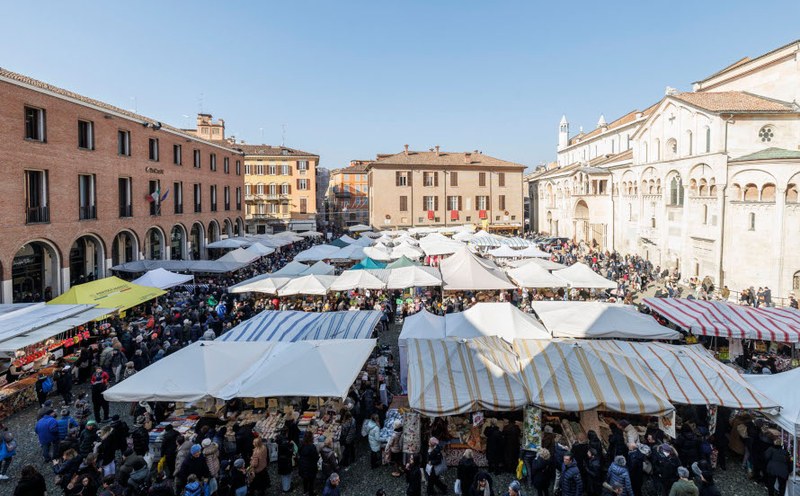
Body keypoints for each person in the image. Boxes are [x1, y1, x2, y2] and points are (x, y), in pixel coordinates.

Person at [298, 431, 320, 496]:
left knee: (305, 480)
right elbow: (316, 457)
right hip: (310, 467)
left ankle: (305, 491)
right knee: (311, 481)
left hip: (302, 466)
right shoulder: (312, 447)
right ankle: (311, 493)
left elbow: (299, 453)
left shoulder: (301, 445)